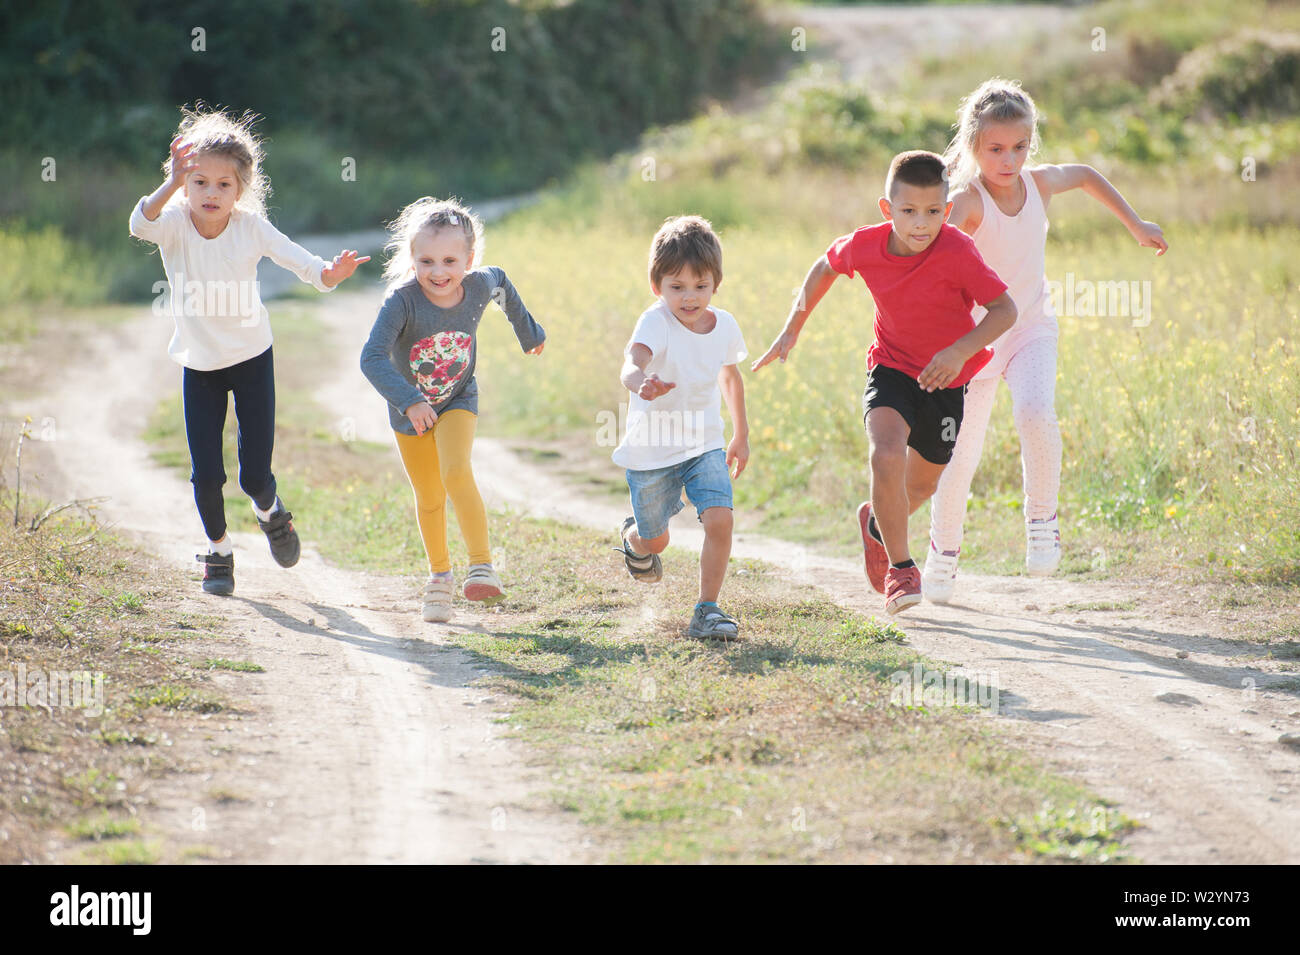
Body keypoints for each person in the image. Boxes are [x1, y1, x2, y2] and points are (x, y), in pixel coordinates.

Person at [923, 78, 1169, 601]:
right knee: (959, 455)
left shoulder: (1038, 184)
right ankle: (942, 553)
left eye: (1018, 147)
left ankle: (1042, 522)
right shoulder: (966, 202)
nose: (1008, 159)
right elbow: (933, 259)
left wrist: (1135, 223)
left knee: (1036, 412)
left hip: (1031, 327)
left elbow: (1084, 174)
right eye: (995, 149)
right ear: (973, 146)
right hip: (975, 341)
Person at [752, 151, 1016, 614]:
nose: (921, 224)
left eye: (933, 212)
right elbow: (824, 266)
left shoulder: (957, 250)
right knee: (886, 454)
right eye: (909, 212)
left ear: (947, 210)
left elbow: (1004, 311)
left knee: (920, 487)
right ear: (886, 209)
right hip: (891, 368)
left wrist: (959, 352)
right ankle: (902, 570)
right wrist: (793, 326)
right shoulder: (866, 245)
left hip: (946, 380)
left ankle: (876, 523)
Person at [128, 107, 369, 596]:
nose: (210, 194)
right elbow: (139, 223)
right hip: (199, 365)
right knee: (205, 475)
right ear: (185, 183)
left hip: (252, 358)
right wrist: (170, 184)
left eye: (223, 184)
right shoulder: (173, 222)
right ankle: (218, 553)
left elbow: (306, 266)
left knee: (254, 475)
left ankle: (271, 514)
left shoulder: (250, 226)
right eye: (199, 182)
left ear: (240, 189)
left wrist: (330, 273)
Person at [360, 197, 545, 622]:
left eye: (449, 260)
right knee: (428, 495)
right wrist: (408, 400)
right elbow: (371, 358)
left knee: (456, 471)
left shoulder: (481, 283)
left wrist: (529, 331)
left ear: (469, 258)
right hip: (410, 411)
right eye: (426, 261)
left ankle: (482, 566)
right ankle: (440, 578)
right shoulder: (401, 301)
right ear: (412, 259)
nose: (438, 272)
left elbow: (503, 283)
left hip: (459, 398)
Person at [612, 215, 750, 640]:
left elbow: (729, 376)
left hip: (704, 444)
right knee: (656, 543)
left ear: (715, 283)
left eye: (700, 286)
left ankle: (707, 610)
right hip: (652, 450)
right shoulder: (655, 321)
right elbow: (630, 364)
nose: (689, 297)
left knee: (720, 519)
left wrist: (741, 434)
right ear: (657, 286)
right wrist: (642, 383)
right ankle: (636, 539)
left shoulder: (724, 325)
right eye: (677, 287)